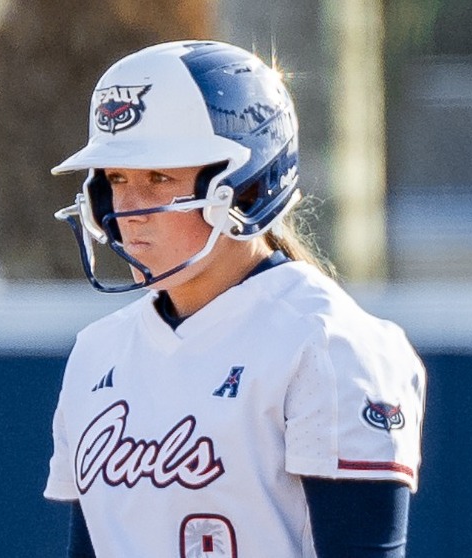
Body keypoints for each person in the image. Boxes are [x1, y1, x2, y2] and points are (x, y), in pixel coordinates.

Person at [44, 39, 426, 558]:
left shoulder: (331, 345)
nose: (125, 209)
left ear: (246, 186)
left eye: (158, 176)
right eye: (115, 178)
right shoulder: (97, 354)